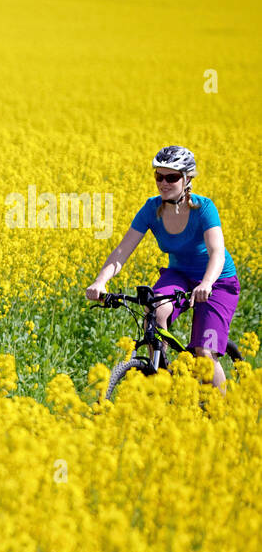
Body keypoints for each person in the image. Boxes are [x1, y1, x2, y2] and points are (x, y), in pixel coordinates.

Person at [86, 145, 239, 390]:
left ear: (187, 178)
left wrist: (207, 283)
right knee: (154, 307)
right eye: (159, 176)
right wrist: (100, 281)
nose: (163, 183)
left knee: (204, 352)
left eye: (172, 177)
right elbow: (122, 252)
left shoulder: (204, 209)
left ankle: (220, 413)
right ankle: (160, 371)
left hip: (217, 280)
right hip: (179, 274)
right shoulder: (151, 209)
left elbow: (217, 253)